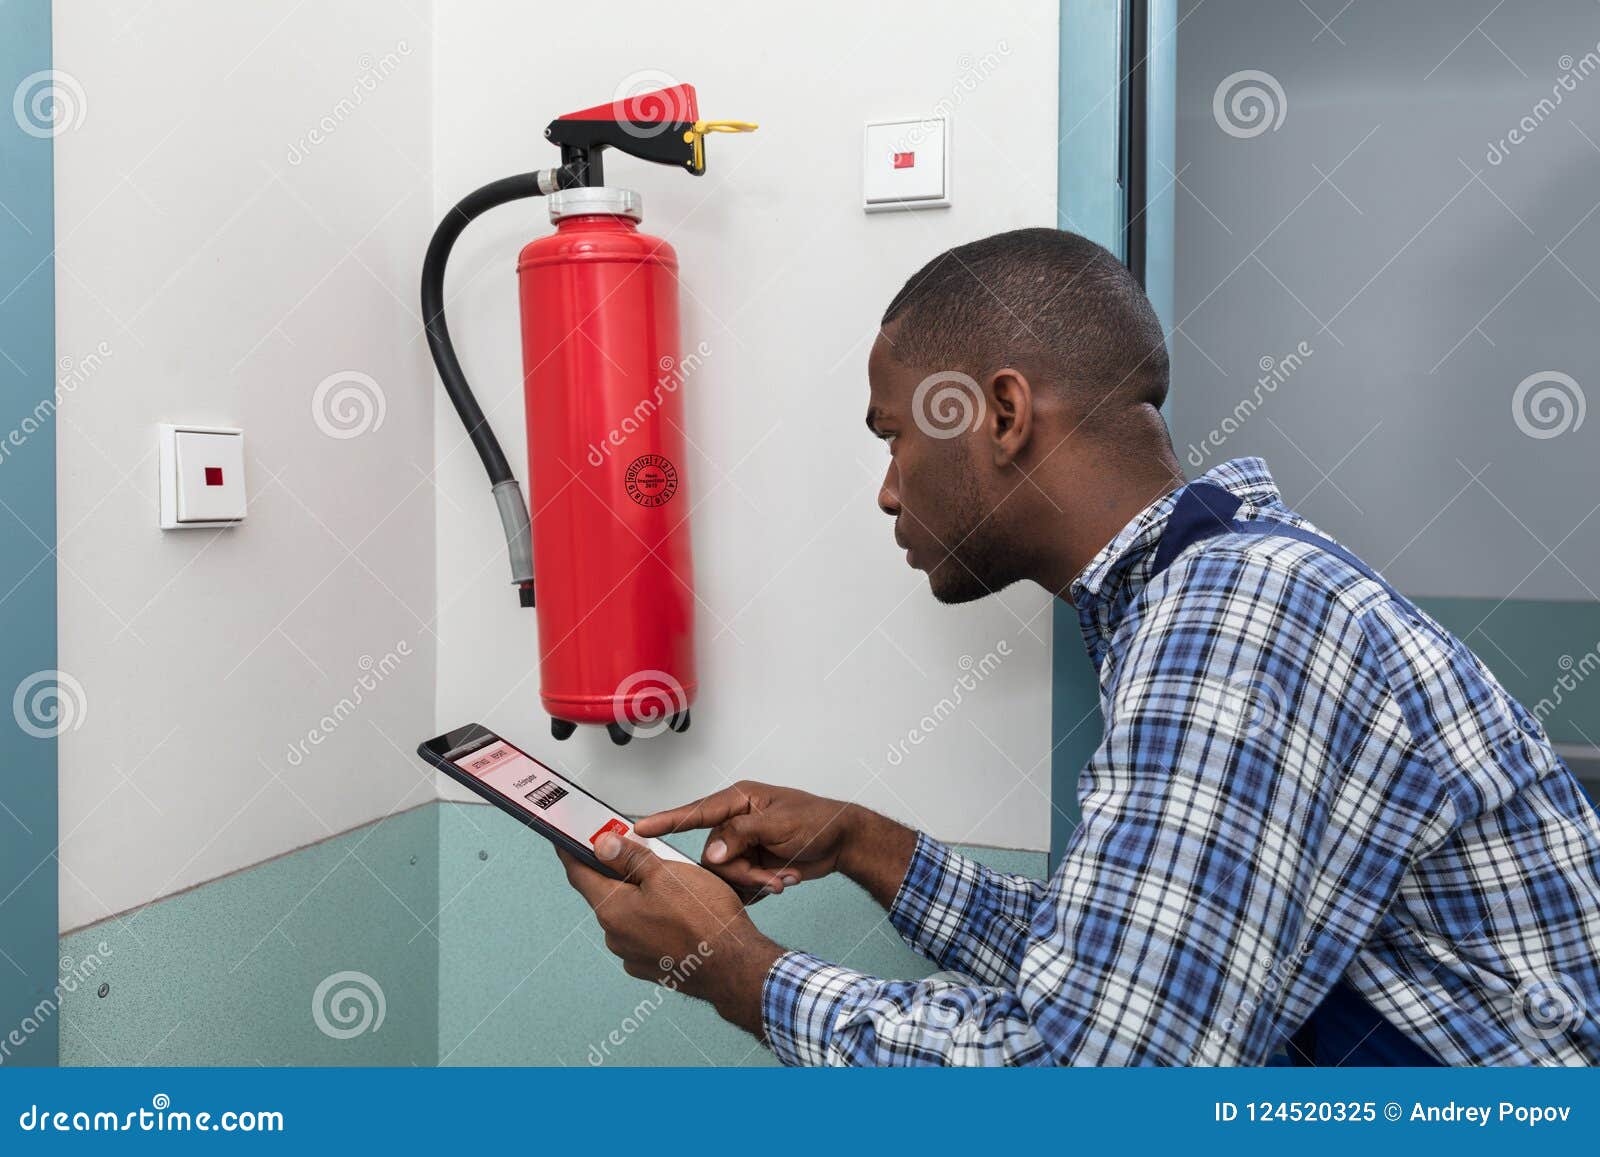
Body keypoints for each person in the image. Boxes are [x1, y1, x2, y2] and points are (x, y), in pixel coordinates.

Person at [559, 227, 1600, 1065]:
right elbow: (1131, 968)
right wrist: (867, 841)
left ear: (1001, 412)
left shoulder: (1235, 616)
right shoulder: (1205, 591)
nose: (886, 489)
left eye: (894, 438)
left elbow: (1091, 1086)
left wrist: (735, 966)